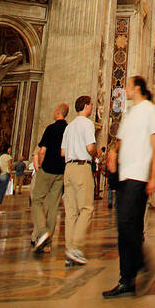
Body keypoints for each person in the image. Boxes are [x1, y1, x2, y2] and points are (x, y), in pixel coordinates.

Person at [104, 76, 155, 298]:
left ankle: (138, 266)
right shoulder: (128, 112)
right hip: (124, 174)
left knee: (128, 223)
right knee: (127, 227)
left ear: (137, 88)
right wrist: (112, 151)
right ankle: (128, 277)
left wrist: (154, 175)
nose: (124, 89)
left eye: (127, 85)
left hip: (139, 174)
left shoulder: (149, 109)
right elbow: (120, 140)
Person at [61, 94, 99, 266]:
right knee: (86, 208)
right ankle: (75, 247)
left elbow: (62, 152)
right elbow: (90, 147)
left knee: (71, 212)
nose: (92, 108)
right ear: (85, 106)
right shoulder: (87, 124)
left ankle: (70, 250)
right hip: (82, 167)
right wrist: (96, 153)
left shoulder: (69, 127)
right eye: (91, 105)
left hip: (68, 168)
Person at [30, 102, 69, 253]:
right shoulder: (68, 129)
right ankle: (47, 244)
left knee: (37, 200)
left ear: (58, 112)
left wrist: (40, 166)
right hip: (61, 171)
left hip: (47, 170)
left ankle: (42, 230)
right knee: (53, 206)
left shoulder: (51, 128)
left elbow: (42, 151)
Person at [0, 142, 12, 215]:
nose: (10, 150)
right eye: (9, 148)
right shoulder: (8, 157)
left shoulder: (0, 156)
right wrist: (11, 175)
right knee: (2, 191)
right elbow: (9, 167)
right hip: (5, 174)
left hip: (0, 174)